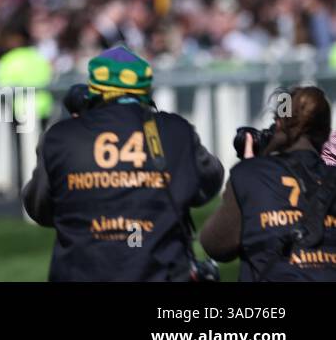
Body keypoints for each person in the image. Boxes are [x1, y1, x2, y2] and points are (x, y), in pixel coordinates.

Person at [22, 46, 224, 281]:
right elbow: (208, 184)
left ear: (92, 89)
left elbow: (40, 208)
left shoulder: (60, 136)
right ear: (145, 89)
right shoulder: (175, 130)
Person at [201, 86, 336, 280]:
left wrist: (245, 176)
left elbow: (215, 245)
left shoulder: (250, 174)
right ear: (325, 133)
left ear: (278, 125)